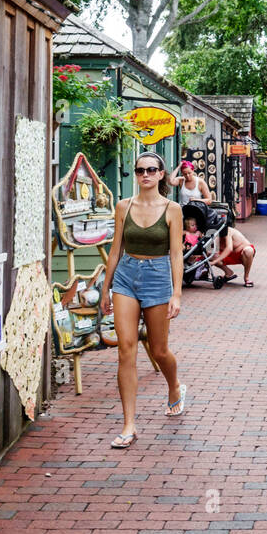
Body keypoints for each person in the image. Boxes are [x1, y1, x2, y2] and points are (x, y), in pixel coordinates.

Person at [101, 151, 186, 448]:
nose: (145, 175)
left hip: (158, 276)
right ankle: (129, 426)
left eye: (151, 170)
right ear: (135, 175)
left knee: (160, 350)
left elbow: (176, 254)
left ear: (161, 174)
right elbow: (115, 250)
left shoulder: (172, 209)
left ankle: (174, 386)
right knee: (126, 349)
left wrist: (177, 292)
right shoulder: (123, 206)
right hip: (126, 275)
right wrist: (105, 288)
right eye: (140, 171)